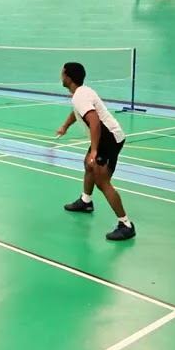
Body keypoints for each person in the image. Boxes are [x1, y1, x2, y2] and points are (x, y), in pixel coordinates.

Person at [55, 62, 136, 241]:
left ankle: (126, 224)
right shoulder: (81, 93)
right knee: (88, 165)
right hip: (106, 137)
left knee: (102, 181)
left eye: (62, 73)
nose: (61, 76)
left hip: (109, 139)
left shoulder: (80, 96)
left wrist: (95, 151)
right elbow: (77, 112)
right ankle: (86, 201)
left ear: (68, 77)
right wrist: (65, 126)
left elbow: (95, 122)